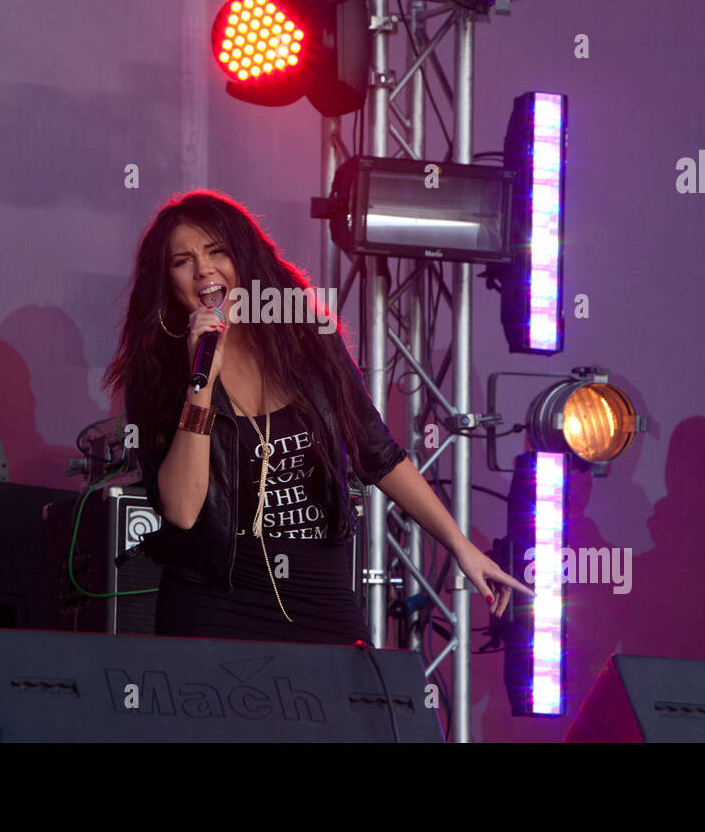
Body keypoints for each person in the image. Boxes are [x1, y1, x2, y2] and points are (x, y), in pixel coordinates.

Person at [103, 190, 531, 645]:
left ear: (244, 259)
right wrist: (201, 383)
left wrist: (460, 546)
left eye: (217, 251)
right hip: (214, 602)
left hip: (319, 592)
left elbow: (379, 456)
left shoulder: (310, 343)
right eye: (182, 261)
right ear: (168, 282)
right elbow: (184, 512)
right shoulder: (158, 375)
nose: (204, 268)